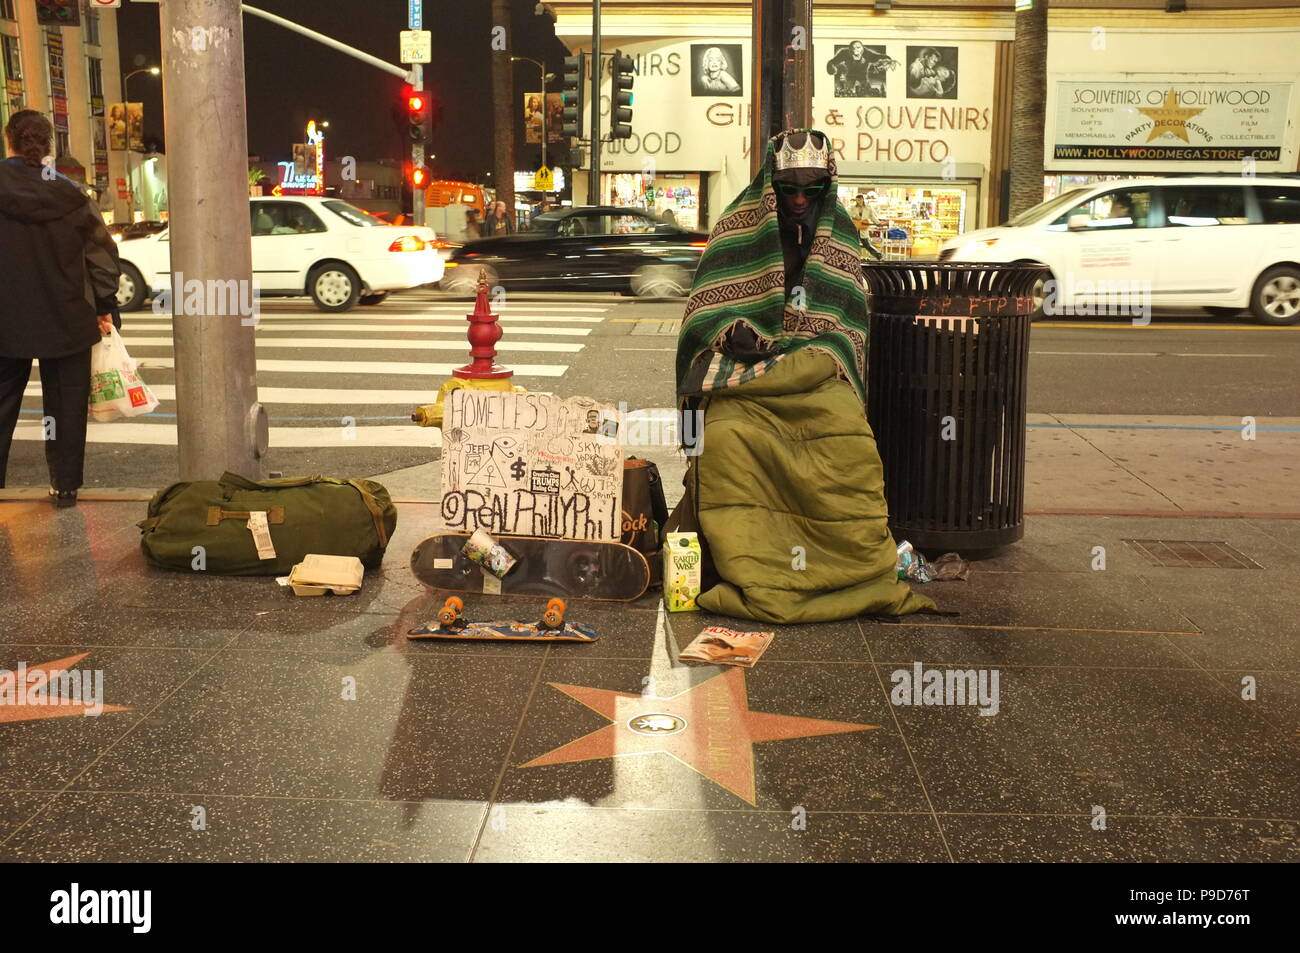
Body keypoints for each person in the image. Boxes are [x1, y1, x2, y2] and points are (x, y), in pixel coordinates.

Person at [667, 128, 934, 624]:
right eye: (787, 187)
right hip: (744, 369)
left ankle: (851, 573)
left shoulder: (843, 234)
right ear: (770, 181)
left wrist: (810, 346)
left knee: (848, 445)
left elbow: (846, 324)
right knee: (725, 440)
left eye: (809, 190)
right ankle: (752, 571)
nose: (796, 198)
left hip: (814, 364)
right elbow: (703, 312)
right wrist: (732, 330)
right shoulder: (736, 224)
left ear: (826, 186)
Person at [0, 110, 121, 506]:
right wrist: (104, 304)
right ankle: (64, 486)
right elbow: (102, 256)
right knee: (66, 405)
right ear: (49, 145)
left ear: (9, 140)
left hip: (6, 317)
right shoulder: (70, 194)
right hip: (67, 315)